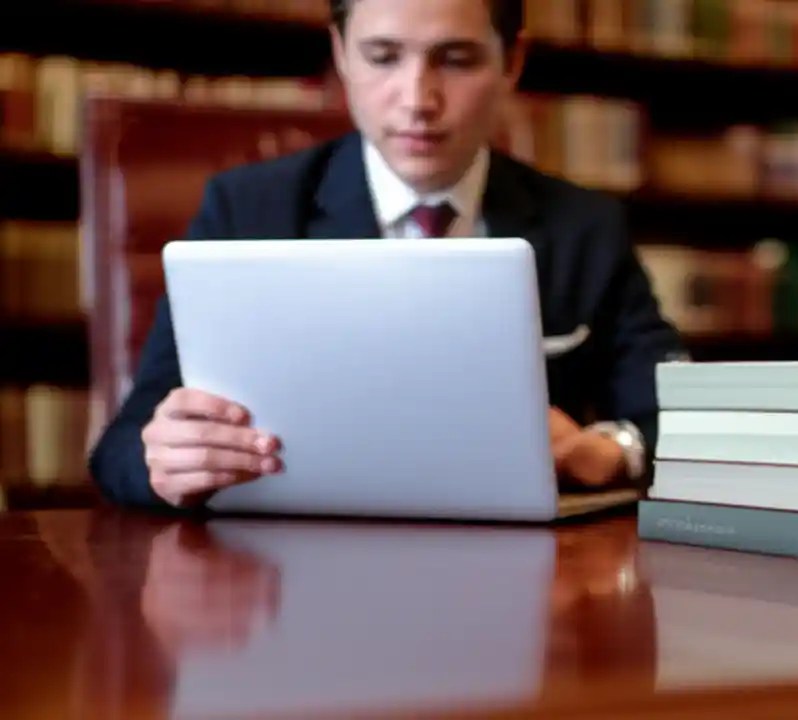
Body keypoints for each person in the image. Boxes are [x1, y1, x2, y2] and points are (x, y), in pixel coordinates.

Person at [88, 0, 687, 511]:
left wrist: (605, 453)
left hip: (525, 589)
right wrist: (166, 461)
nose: (418, 99)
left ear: (513, 62)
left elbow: (681, 425)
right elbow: (120, 448)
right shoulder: (246, 211)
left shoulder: (585, 226)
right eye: (381, 57)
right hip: (287, 580)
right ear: (341, 55)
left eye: (456, 59)